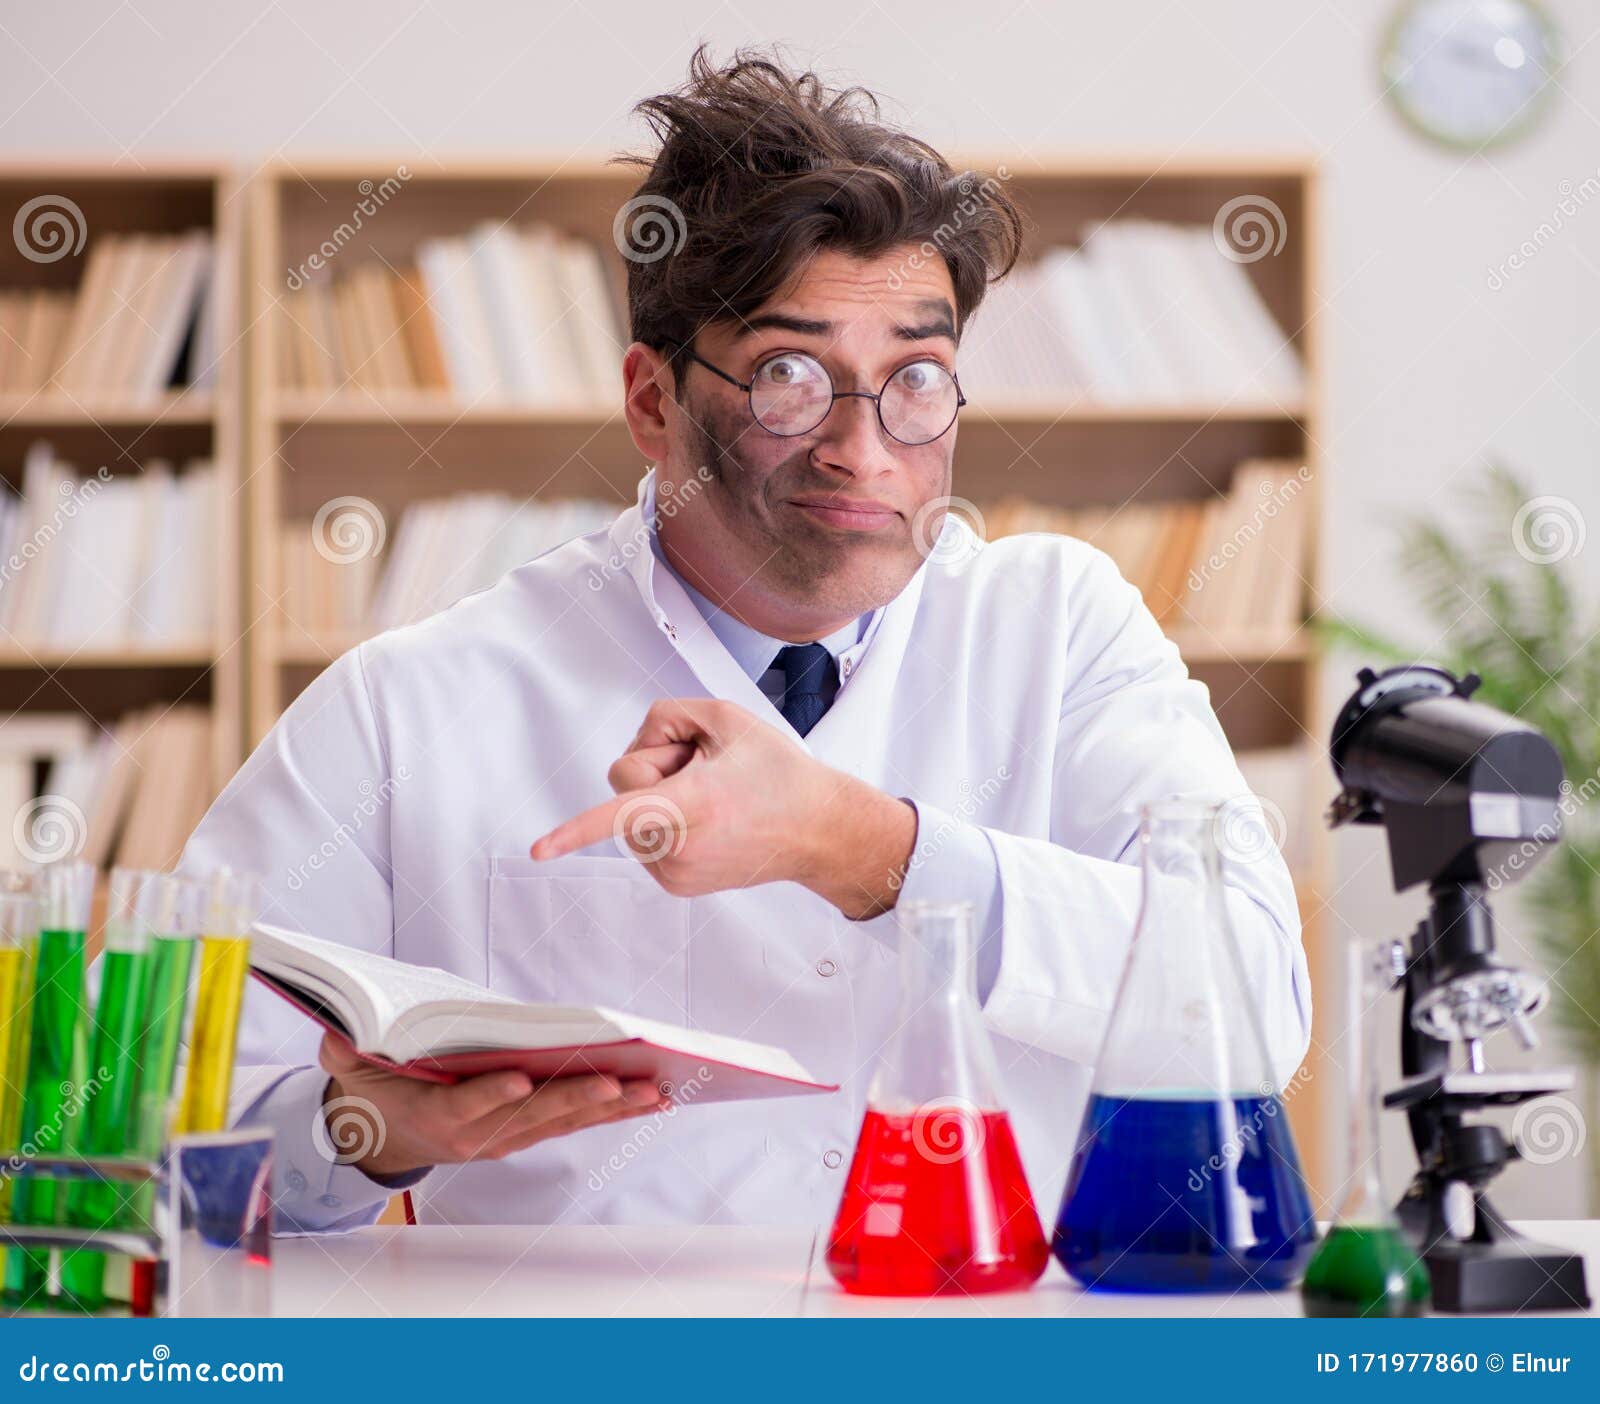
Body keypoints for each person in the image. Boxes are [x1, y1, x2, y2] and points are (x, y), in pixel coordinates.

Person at [182, 47, 1310, 1232]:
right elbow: (172, 1147)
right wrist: (361, 1138)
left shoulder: (1059, 627)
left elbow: (1252, 1008)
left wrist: (857, 843)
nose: (864, 450)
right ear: (652, 402)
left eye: (917, 378)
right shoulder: (410, 701)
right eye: (788, 376)